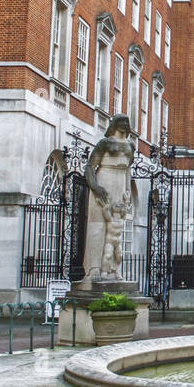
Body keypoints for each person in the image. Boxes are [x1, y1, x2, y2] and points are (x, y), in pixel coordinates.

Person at [81, 114, 135, 283]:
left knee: (115, 227)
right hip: (105, 179)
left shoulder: (130, 146)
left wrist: (128, 190)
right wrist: (95, 187)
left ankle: (111, 269)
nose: (124, 125)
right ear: (114, 124)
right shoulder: (105, 143)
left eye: (126, 122)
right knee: (98, 225)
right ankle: (93, 268)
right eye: (120, 122)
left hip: (120, 182)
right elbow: (90, 166)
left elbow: (127, 170)